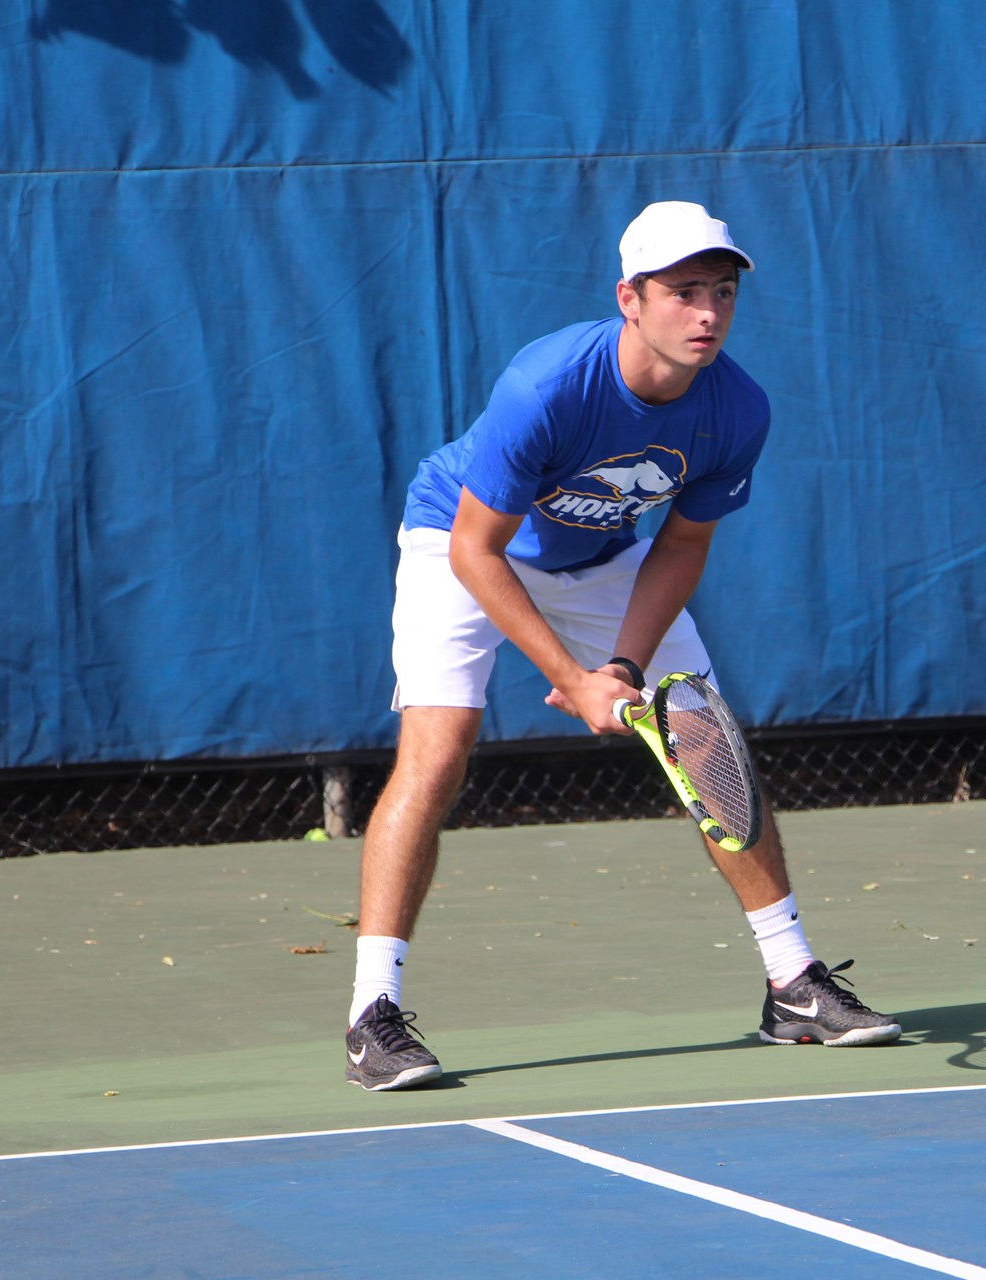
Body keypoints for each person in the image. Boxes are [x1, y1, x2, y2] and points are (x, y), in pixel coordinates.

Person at [346, 201, 901, 1092]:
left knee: (706, 740)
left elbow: (680, 546)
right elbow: (474, 549)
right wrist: (567, 677)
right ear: (630, 299)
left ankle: (793, 984)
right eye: (684, 293)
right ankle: (372, 1015)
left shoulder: (737, 408)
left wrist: (623, 670)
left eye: (721, 292)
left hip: (602, 558)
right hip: (458, 542)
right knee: (437, 753)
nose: (708, 313)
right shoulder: (548, 385)